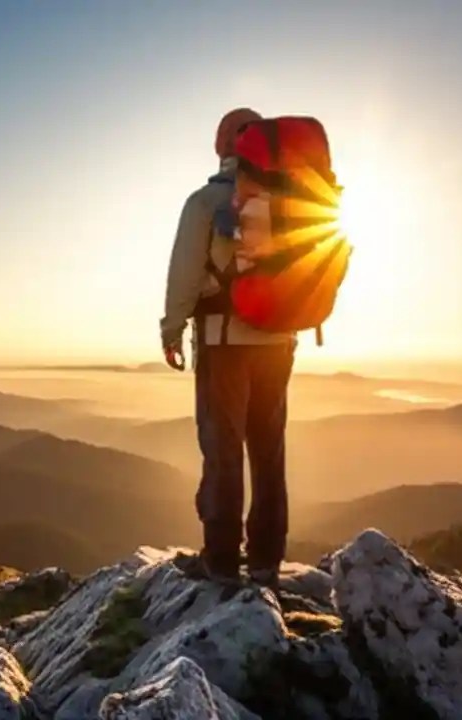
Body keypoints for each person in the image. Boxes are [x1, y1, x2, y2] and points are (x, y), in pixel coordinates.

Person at [160, 107, 297, 588]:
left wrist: (171, 329)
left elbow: (184, 274)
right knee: (268, 450)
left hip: (224, 344)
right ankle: (265, 563)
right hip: (280, 343)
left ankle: (220, 562)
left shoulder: (204, 202)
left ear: (222, 146)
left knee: (222, 450)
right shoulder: (290, 200)